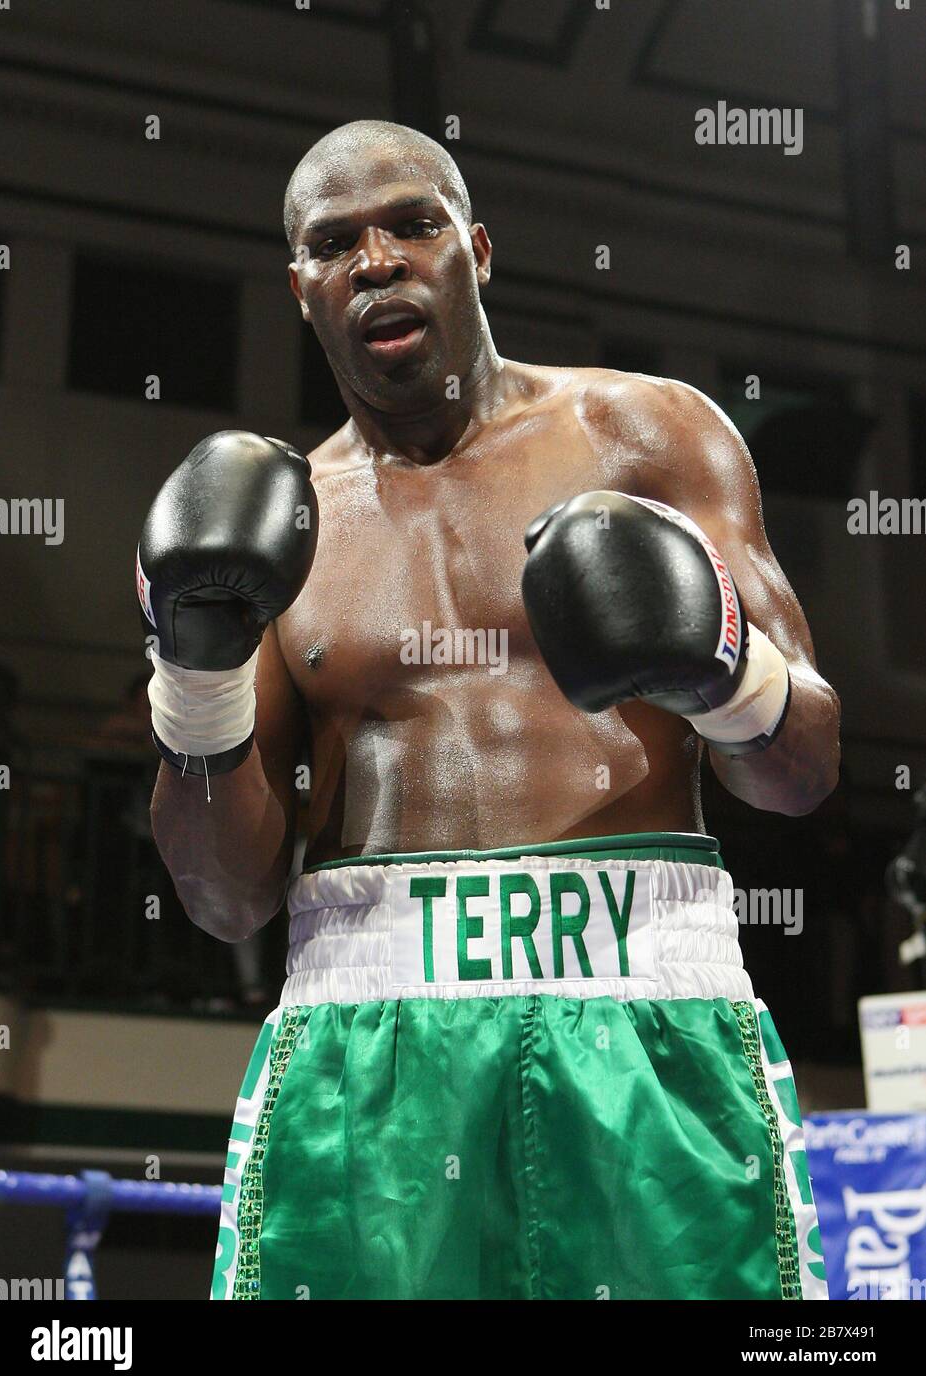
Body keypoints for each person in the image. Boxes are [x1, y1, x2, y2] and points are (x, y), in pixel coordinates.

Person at [138, 121, 840, 1300]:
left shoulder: (650, 436)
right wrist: (194, 674)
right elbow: (225, 897)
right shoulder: (272, 526)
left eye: (411, 223)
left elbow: (803, 767)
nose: (376, 259)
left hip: (643, 1021)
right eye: (333, 241)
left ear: (477, 247)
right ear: (302, 284)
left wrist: (722, 667)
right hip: (371, 1053)